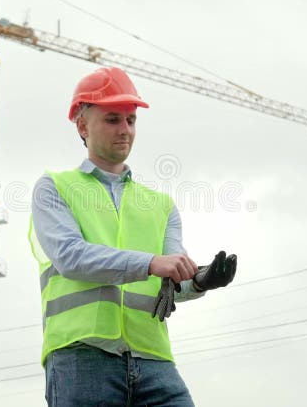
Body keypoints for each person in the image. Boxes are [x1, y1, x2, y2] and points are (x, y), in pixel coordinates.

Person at [29, 66, 237, 406]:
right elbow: (70, 257)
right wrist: (153, 263)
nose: (125, 130)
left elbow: (169, 285)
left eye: (131, 120)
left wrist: (200, 282)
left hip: (153, 358)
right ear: (82, 125)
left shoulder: (161, 205)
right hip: (83, 356)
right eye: (113, 119)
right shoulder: (55, 188)